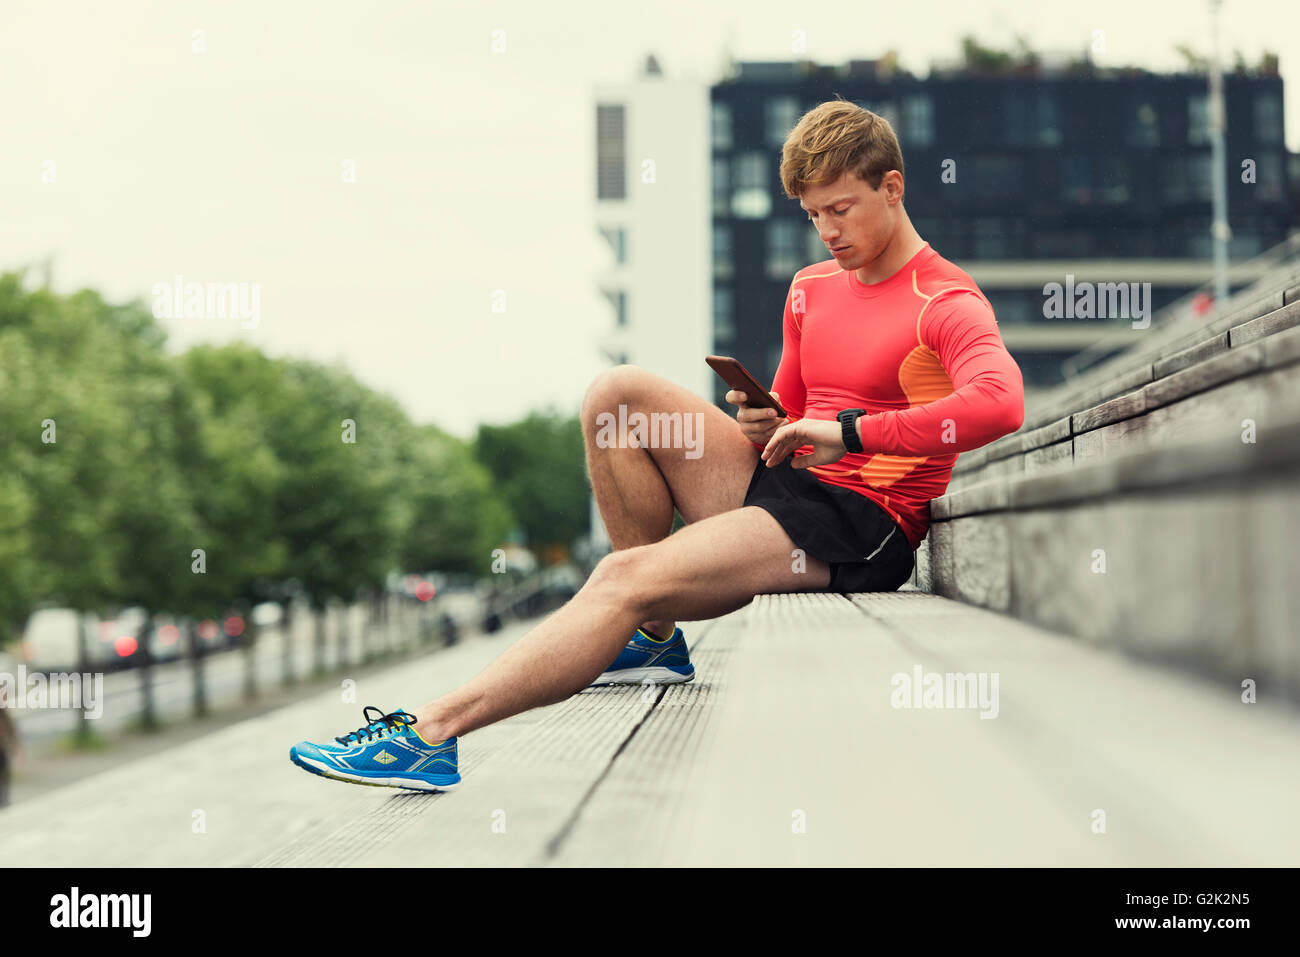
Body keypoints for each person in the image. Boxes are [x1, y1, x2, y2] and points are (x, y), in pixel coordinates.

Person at [289, 98, 1025, 792]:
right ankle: (652, 637)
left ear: (891, 187)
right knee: (616, 398)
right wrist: (769, 420)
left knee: (621, 574)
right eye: (811, 214)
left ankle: (429, 733)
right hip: (790, 480)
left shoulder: (945, 299)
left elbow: (1001, 403)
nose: (827, 231)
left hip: (860, 522)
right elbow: (797, 408)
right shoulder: (810, 287)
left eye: (841, 209)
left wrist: (851, 431)